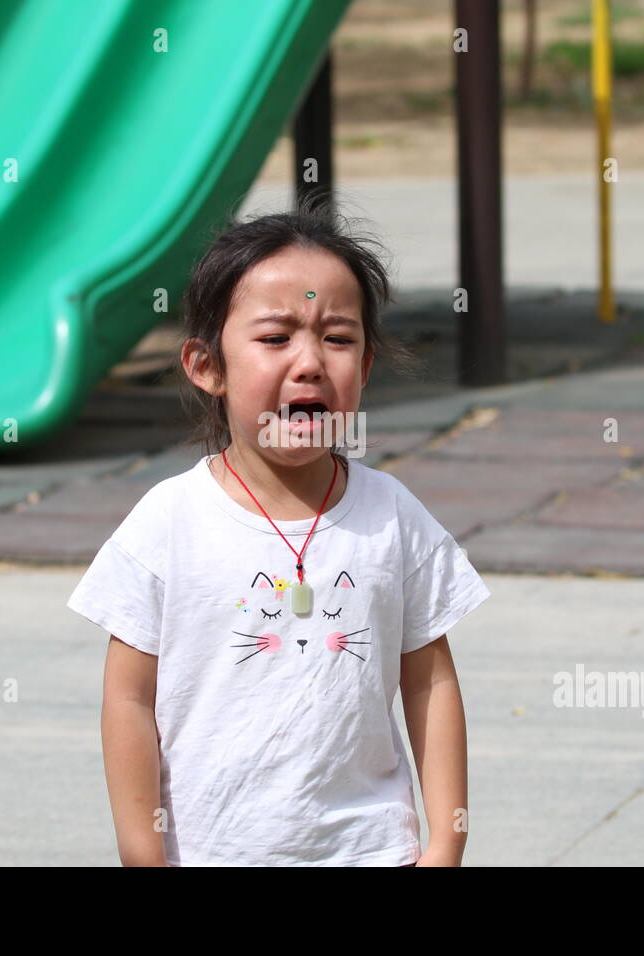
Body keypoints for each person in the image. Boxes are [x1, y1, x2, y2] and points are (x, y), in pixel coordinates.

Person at [67, 199, 491, 866]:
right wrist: (141, 849)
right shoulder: (168, 522)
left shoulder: (394, 517)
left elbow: (430, 683)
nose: (310, 362)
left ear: (367, 365)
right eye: (274, 338)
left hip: (370, 848)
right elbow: (128, 697)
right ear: (207, 366)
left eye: (338, 337)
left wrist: (446, 841)